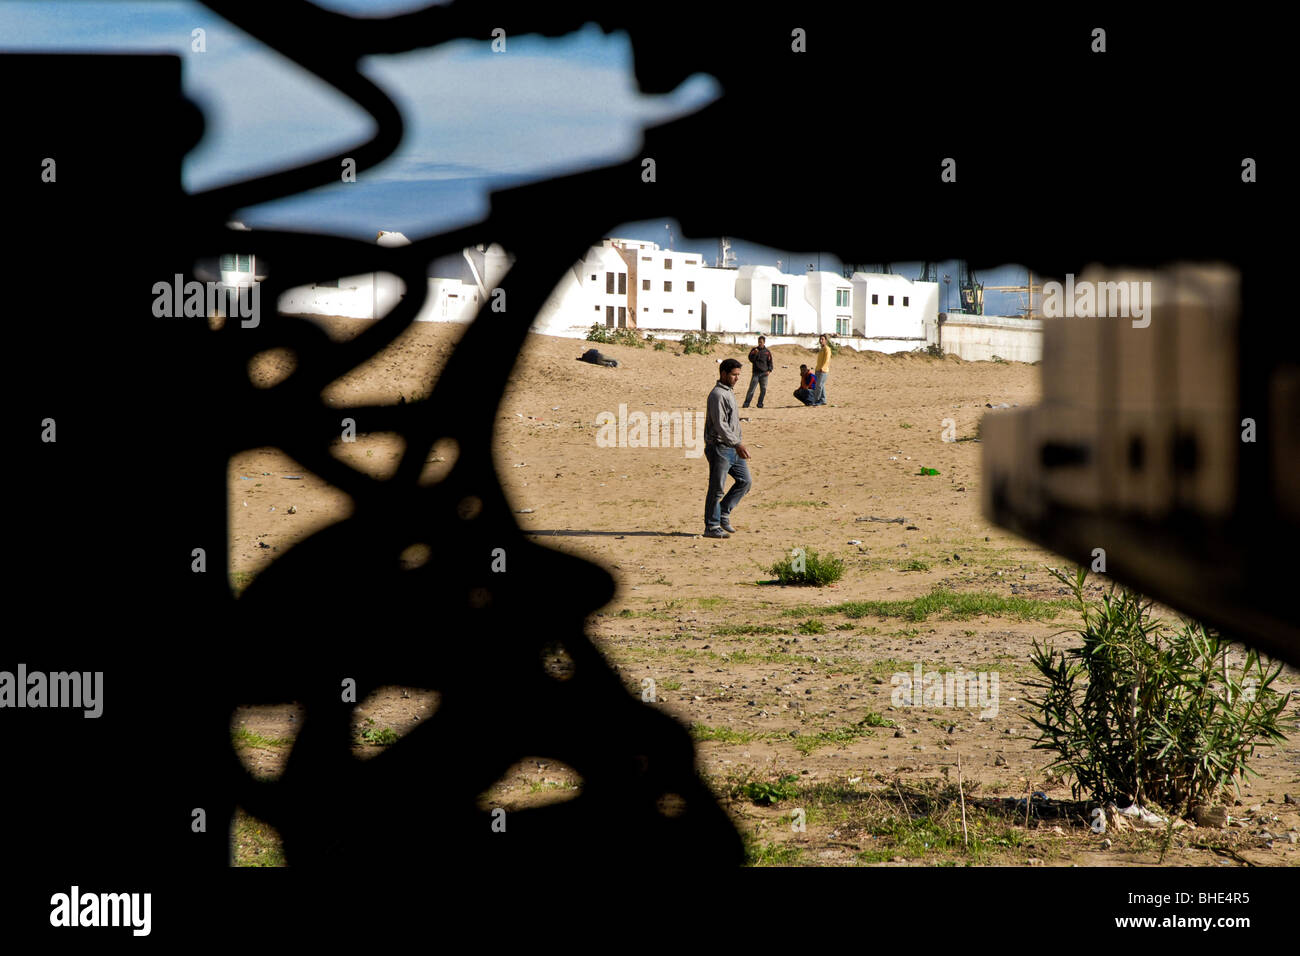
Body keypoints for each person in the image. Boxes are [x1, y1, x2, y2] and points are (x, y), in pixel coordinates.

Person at [703, 358, 751, 538]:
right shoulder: (717, 395)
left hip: (733, 447)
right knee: (716, 489)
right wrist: (737, 443)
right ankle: (712, 526)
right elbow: (720, 425)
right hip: (720, 447)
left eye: (738, 375)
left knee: (745, 481)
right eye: (734, 374)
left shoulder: (729, 392)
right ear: (723, 374)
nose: (737, 378)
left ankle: (723, 513)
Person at [743, 335, 773, 408]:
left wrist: (769, 371)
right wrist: (755, 353)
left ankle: (760, 403)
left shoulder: (767, 352)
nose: (760, 343)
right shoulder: (754, 350)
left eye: (761, 342)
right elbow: (751, 359)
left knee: (763, 390)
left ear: (764, 342)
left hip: (764, 374)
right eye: (759, 342)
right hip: (756, 373)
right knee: (751, 389)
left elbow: (770, 362)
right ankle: (746, 403)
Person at [812, 333, 831, 405]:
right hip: (818, 369)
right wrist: (817, 368)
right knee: (821, 385)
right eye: (820, 339)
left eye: (822, 339)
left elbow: (827, 360)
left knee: (819, 385)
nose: (821, 340)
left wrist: (823, 368)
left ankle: (816, 400)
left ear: (826, 340)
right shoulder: (821, 349)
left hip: (823, 370)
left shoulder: (827, 349)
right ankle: (823, 400)